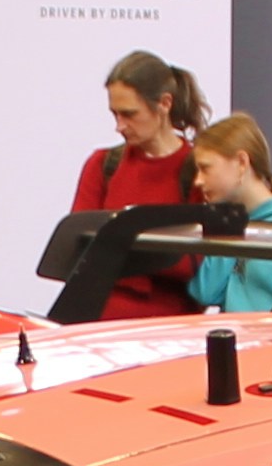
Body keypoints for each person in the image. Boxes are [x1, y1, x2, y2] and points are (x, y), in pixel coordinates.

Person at [73, 51, 206, 320]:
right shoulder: (102, 165)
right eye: (115, 114)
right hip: (99, 326)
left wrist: (121, 247)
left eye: (129, 114)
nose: (119, 126)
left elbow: (198, 263)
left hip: (170, 331)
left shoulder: (198, 171)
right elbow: (78, 250)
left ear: (164, 104)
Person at [186, 114, 272, 311]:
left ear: (241, 163)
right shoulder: (231, 225)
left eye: (205, 168)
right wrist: (231, 229)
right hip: (240, 339)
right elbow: (205, 291)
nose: (198, 181)